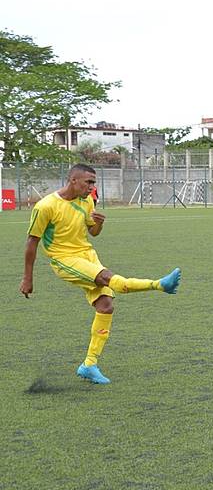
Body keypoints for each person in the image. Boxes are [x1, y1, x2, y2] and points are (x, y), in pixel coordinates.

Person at [20, 164, 181, 384]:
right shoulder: (46, 206)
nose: (92, 187)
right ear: (73, 180)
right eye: (89, 182)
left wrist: (98, 224)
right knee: (110, 279)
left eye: (94, 183)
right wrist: (27, 278)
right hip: (64, 259)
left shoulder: (87, 201)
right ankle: (160, 285)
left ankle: (89, 365)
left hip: (87, 255)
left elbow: (93, 232)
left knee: (106, 306)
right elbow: (32, 242)